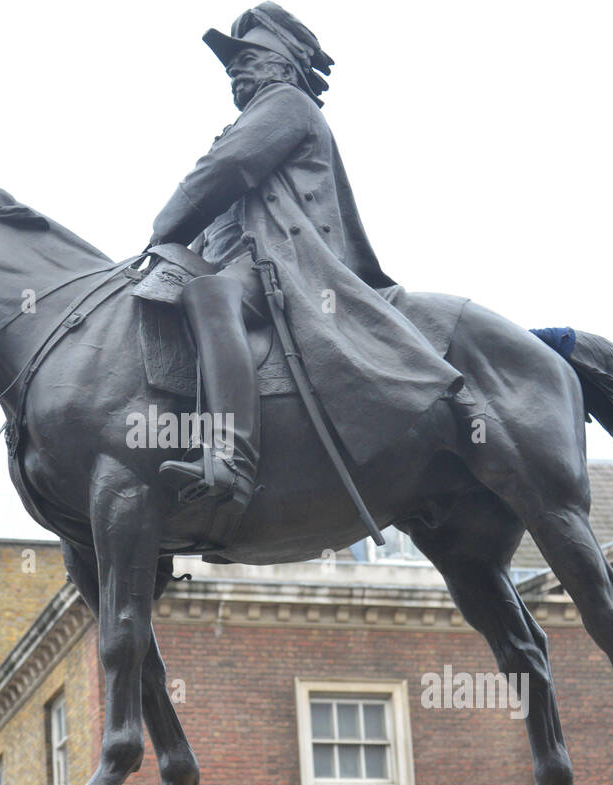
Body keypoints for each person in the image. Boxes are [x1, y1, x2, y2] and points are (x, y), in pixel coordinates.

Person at [150, 3, 463, 526]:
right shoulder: (248, 118)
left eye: (246, 56)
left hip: (282, 264)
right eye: (231, 62)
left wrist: (164, 225)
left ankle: (231, 459)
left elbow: (226, 170)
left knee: (211, 296)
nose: (234, 69)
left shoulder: (285, 104)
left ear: (282, 61)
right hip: (231, 261)